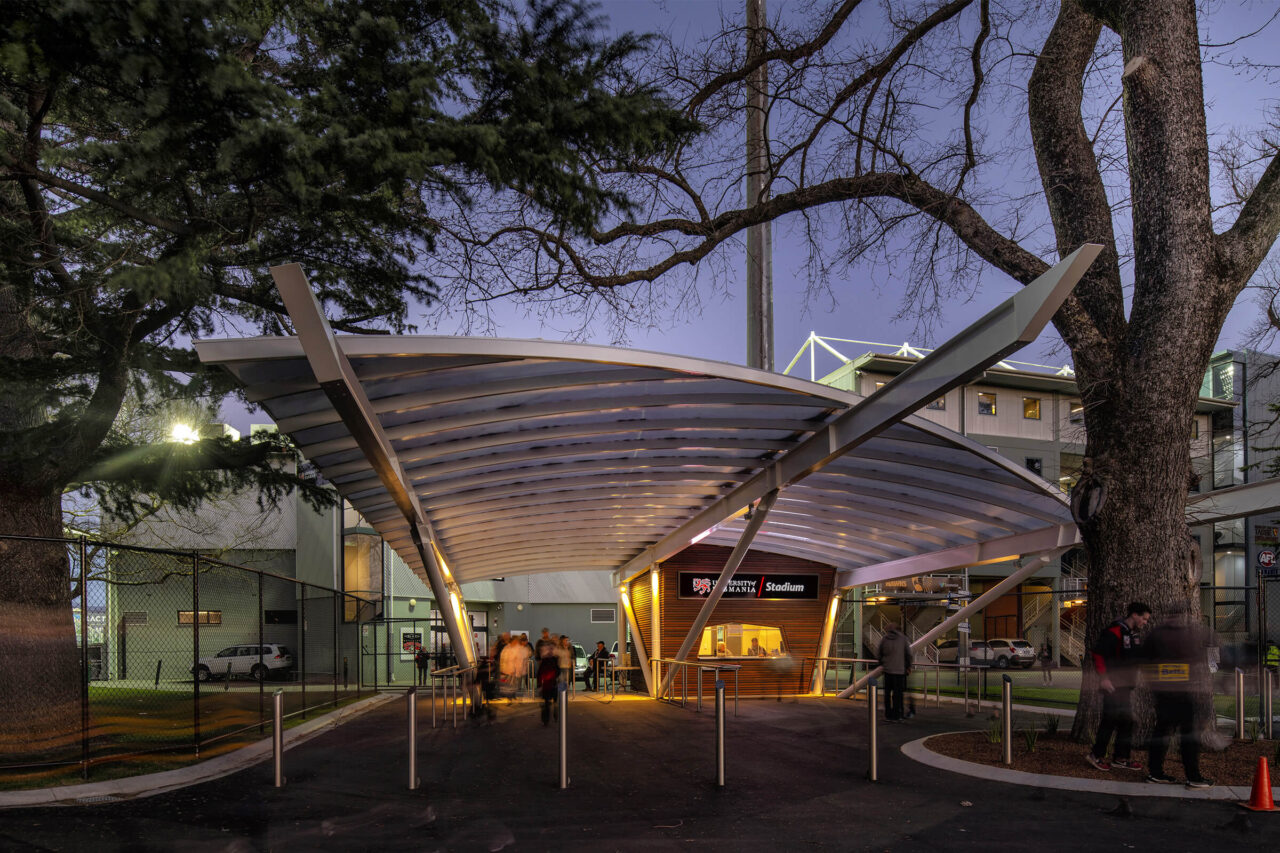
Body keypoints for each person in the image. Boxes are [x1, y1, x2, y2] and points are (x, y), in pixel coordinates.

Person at [1143, 600, 1214, 788]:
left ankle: (1155, 772)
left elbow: (1145, 661)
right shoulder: (1187, 635)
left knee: (1161, 732)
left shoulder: (1157, 634)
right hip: (1182, 693)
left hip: (1164, 693)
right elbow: (1195, 659)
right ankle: (1193, 776)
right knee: (1189, 736)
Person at [1086, 601, 1151, 772]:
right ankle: (1096, 755)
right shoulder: (1114, 632)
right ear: (1135, 615)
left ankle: (1121, 757)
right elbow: (1098, 655)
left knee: (1126, 722)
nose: (1145, 622)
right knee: (1110, 720)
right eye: (1144, 619)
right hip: (1113, 686)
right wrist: (1104, 678)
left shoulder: (1132, 634)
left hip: (1125, 686)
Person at [877, 621, 912, 722]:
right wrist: (908, 666)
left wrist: (883, 664)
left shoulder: (884, 639)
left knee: (887, 694)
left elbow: (879, 653)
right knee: (898, 695)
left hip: (888, 671)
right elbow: (908, 654)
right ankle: (897, 715)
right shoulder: (903, 639)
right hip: (900, 671)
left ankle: (888, 715)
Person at [536, 644, 561, 725]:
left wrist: (539, 684)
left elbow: (539, 673)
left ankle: (546, 719)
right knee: (552, 701)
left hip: (547, 684)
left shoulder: (545, 661)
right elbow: (558, 671)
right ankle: (553, 713)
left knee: (547, 702)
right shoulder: (554, 660)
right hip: (552, 684)